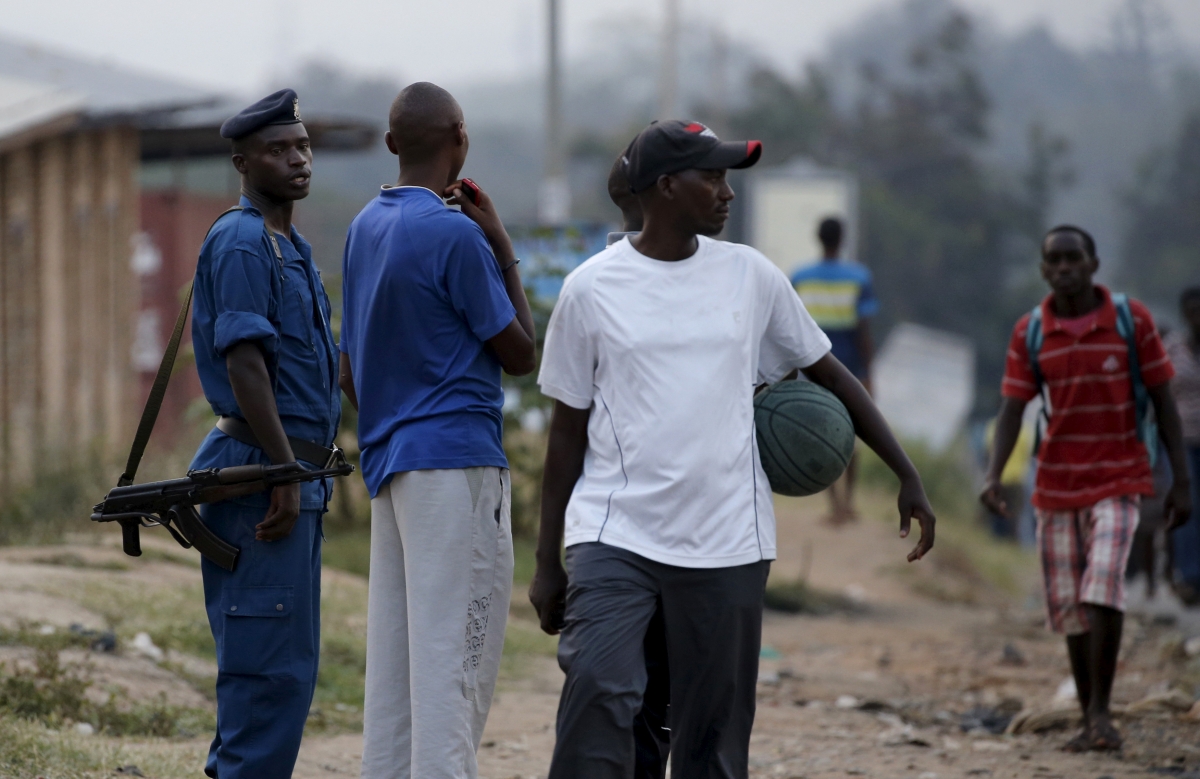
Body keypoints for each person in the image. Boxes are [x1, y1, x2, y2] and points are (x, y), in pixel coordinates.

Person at [529, 120, 936, 778]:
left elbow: (832, 376)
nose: (728, 193)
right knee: (599, 694)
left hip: (728, 541)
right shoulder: (591, 289)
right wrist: (547, 560)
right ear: (667, 186)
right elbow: (566, 431)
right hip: (615, 532)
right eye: (713, 177)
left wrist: (906, 472)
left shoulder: (751, 277)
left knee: (710, 738)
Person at [338, 82, 536, 779]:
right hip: (456, 465)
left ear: (392, 144)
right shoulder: (458, 235)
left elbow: (349, 374)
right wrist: (501, 242)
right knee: (453, 669)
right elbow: (521, 354)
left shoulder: (364, 227)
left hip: (390, 465)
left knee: (397, 670)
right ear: (461, 138)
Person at [981, 225, 1192, 752]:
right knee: (1071, 608)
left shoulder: (1131, 321)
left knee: (1103, 587)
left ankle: (1101, 710)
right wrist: (993, 475)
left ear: (1094, 264)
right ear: (1043, 270)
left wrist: (1181, 481)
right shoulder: (1031, 332)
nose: (1064, 268)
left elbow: (1164, 401)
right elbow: (1013, 408)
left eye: (1074, 258)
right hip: (1055, 484)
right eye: (1054, 260)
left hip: (1120, 478)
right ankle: (1087, 717)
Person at [190, 89, 341, 778]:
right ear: (242, 163)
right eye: (278, 150)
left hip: (288, 474)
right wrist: (282, 472)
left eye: (302, 146)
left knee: (286, 671)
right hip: (261, 474)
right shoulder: (245, 242)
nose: (298, 159)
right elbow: (245, 364)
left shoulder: (290, 246)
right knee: (265, 671)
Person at [790, 218, 879, 523]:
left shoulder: (800, 277)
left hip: (811, 366)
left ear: (818, 238)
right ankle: (849, 502)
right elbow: (863, 331)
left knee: (820, 433)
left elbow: (792, 328)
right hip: (849, 367)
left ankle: (834, 505)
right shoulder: (859, 277)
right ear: (842, 240)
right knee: (852, 434)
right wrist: (869, 373)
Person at [1166, 286, 1200, 604]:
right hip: (1182, 441)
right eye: (1192, 311)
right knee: (1187, 505)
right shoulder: (1172, 349)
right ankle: (1189, 575)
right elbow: (1160, 392)